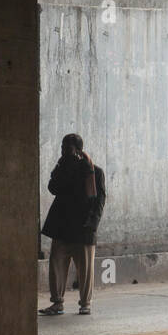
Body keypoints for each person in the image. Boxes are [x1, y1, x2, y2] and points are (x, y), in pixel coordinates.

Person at [40, 133, 106, 315]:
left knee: (85, 270)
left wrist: (92, 224)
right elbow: (53, 188)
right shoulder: (63, 169)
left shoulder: (95, 172)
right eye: (62, 148)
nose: (63, 151)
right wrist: (64, 169)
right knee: (56, 266)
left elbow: (99, 201)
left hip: (83, 229)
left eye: (67, 148)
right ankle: (57, 303)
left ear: (78, 150)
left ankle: (85, 304)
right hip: (62, 227)